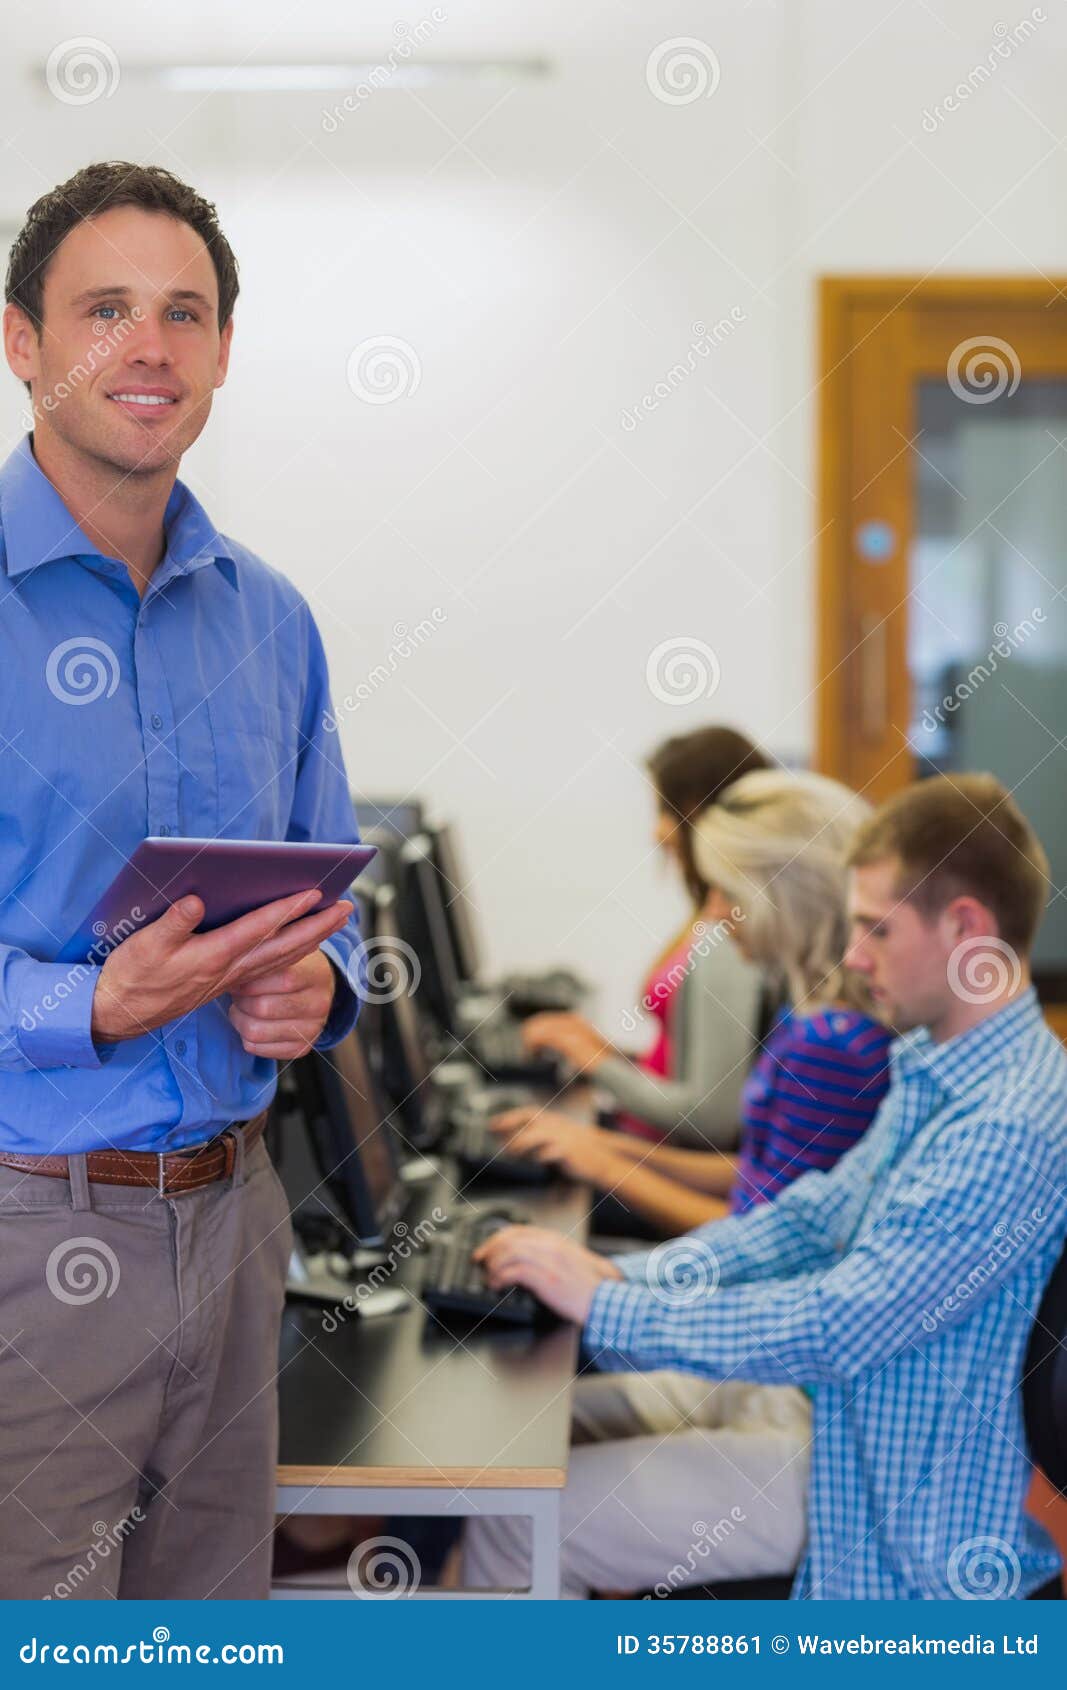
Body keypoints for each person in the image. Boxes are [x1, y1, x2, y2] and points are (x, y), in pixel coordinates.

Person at [0, 162, 364, 1599]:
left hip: (235, 1221)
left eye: (184, 314)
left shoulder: (271, 618)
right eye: (105, 310)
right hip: (33, 1228)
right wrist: (89, 1007)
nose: (148, 348)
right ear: (23, 341)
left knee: (209, 1636)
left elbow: (328, 895)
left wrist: (314, 989)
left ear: (219, 352)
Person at [466, 774, 1067, 1600]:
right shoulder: (938, 1072)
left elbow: (836, 1325)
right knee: (519, 1445)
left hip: (897, 1535)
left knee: (515, 1517)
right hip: (845, 1436)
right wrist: (624, 1277)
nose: (853, 958)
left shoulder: (1006, 1125)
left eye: (876, 931)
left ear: (966, 928)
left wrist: (609, 1308)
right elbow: (804, 1222)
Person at [491, 770, 892, 1236]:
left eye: (730, 892)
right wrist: (600, 1147)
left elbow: (765, 1236)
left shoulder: (831, 1042)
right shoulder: (809, 1011)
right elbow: (756, 1175)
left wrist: (603, 1165)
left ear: (788, 896)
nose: (717, 912)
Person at [522, 726, 770, 1149]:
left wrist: (599, 1064)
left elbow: (710, 1118)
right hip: (647, 1146)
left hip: (664, 1161)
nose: (657, 832)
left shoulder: (728, 939)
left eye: (665, 810)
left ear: (698, 813)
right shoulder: (711, 918)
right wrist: (603, 1052)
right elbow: (683, 1074)